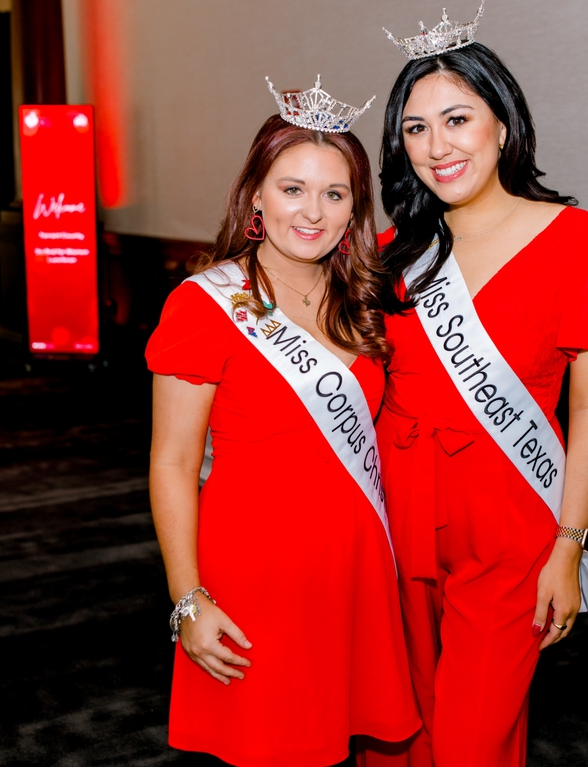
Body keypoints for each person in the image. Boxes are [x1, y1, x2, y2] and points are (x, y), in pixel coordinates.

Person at [361, 6, 588, 766]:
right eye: (415, 129)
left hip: (511, 520)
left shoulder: (583, 243)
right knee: (398, 728)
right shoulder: (393, 253)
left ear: (503, 125)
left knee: (472, 741)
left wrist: (569, 547)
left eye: (457, 119)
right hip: (395, 511)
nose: (437, 146)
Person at [145, 77, 420, 767]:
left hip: (352, 566)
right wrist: (187, 598)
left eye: (335, 194)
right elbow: (172, 464)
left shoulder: (364, 301)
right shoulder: (205, 304)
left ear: (354, 207)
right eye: (293, 188)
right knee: (270, 748)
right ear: (257, 197)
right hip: (256, 570)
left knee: (337, 745)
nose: (313, 212)